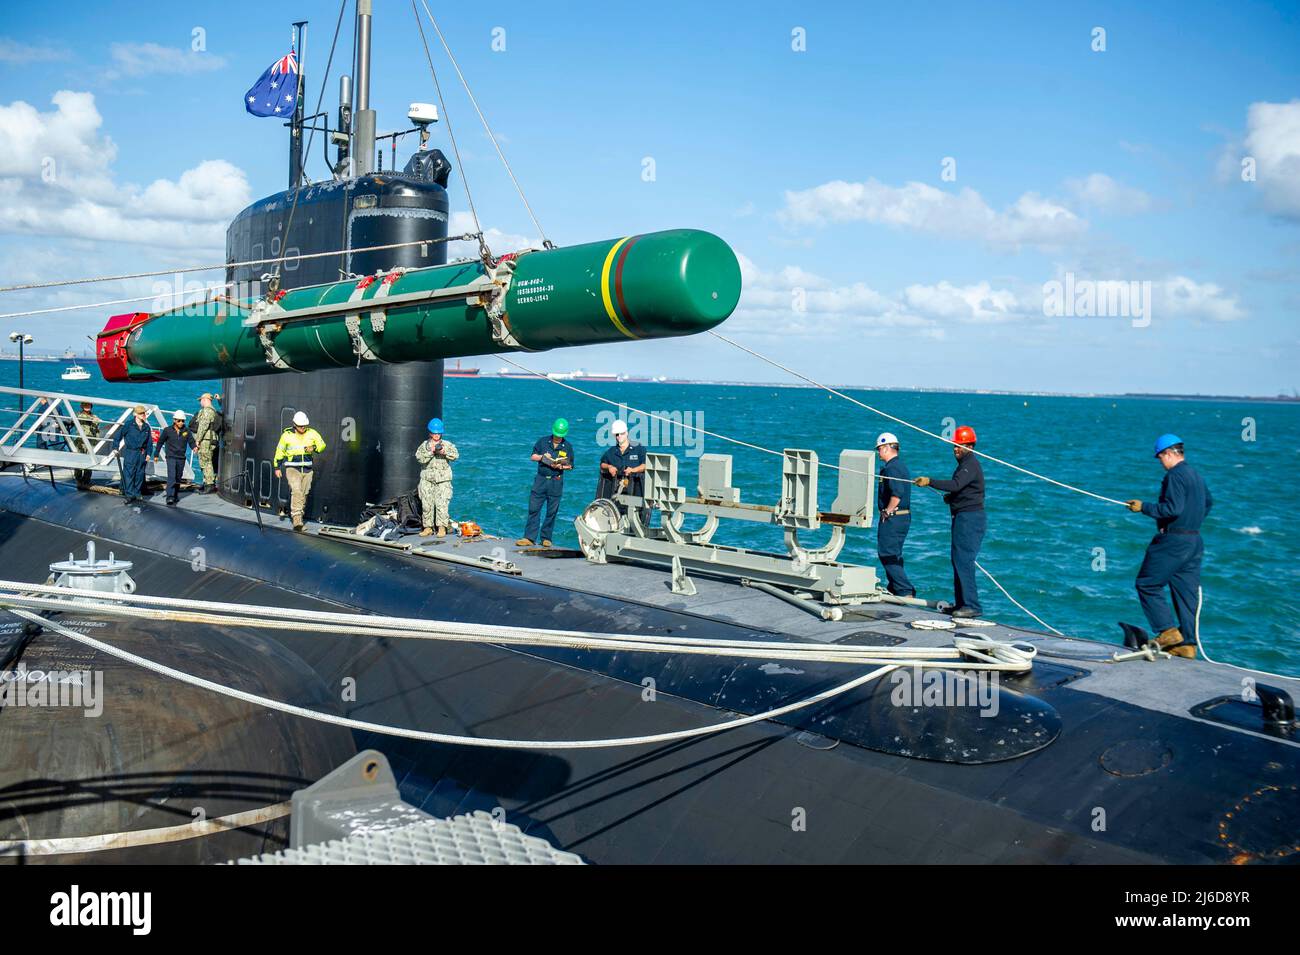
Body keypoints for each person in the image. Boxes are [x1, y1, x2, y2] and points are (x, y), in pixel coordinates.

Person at [1125, 434, 1213, 659]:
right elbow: (1208, 502)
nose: (1160, 462)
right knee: (1186, 593)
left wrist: (1143, 507)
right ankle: (1188, 644)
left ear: (1170, 453)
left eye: (1160, 457)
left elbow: (1172, 508)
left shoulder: (1175, 475)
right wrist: (1191, 520)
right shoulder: (1196, 475)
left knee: (1147, 583)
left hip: (1173, 541)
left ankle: (1167, 632)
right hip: (1194, 541)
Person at [915, 424, 985, 618]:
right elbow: (964, 490)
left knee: (964, 560)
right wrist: (953, 499)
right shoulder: (964, 465)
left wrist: (930, 481)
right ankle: (962, 604)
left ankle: (972, 605)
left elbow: (956, 485)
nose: (956, 449)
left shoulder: (970, 464)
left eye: (960, 445)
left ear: (970, 446)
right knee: (957, 559)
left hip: (970, 519)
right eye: (954, 445)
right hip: (963, 517)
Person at [517, 418, 574, 548]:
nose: (558, 438)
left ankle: (546, 538)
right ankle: (529, 537)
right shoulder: (542, 441)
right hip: (541, 479)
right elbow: (533, 456)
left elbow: (571, 465)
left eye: (561, 436)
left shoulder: (568, 447)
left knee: (551, 511)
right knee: (534, 509)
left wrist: (561, 466)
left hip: (556, 481)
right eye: (556, 435)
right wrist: (543, 458)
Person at [874, 432, 914, 598]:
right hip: (902, 517)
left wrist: (887, 511)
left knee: (886, 553)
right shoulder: (899, 466)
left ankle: (905, 591)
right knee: (894, 553)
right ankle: (894, 588)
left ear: (886, 447)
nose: (878, 452)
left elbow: (896, 494)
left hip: (894, 517)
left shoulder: (892, 468)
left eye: (879, 449)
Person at [274, 410, 326, 531]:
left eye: (304, 426)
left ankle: (300, 516)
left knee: (304, 493)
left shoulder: (312, 433)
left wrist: (313, 448)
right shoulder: (286, 436)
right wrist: (277, 467)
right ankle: (297, 521)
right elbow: (279, 451)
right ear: (294, 425)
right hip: (292, 468)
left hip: (307, 469)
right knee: (296, 491)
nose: (303, 428)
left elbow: (322, 445)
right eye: (300, 426)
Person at [415, 417, 459, 536]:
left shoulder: (447, 445)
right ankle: (428, 527)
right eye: (434, 433)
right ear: (430, 433)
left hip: (443, 480)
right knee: (426, 504)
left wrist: (445, 452)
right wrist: (432, 452)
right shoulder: (424, 446)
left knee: (442, 505)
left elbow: (456, 455)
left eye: (439, 433)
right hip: (427, 480)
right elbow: (419, 458)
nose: (437, 435)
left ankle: (441, 528)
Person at [599, 420, 647, 502]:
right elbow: (602, 464)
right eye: (617, 434)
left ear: (627, 433)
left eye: (622, 433)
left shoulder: (638, 448)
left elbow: (645, 465)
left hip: (637, 492)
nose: (619, 436)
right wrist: (609, 467)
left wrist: (633, 470)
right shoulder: (611, 451)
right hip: (616, 494)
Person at [117, 404, 155, 504]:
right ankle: (129, 494)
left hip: (141, 453)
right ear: (135, 414)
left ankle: (137, 493)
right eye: (141, 413)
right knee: (129, 473)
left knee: (139, 474)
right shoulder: (129, 425)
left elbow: (149, 443)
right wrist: (115, 448)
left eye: (144, 413)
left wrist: (148, 454)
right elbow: (118, 436)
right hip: (131, 452)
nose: (143, 415)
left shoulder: (146, 427)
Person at [157, 410, 196, 506]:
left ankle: (175, 494)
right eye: (179, 421)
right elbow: (160, 442)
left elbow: (191, 441)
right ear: (174, 420)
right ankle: (169, 496)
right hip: (171, 457)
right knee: (172, 476)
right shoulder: (167, 430)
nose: (181, 423)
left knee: (178, 477)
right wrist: (156, 454)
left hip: (181, 457)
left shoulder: (186, 431)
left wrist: (194, 447)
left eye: (183, 421)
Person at [191, 393, 221, 493]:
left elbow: (203, 426)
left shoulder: (207, 411)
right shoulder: (213, 411)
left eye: (201, 400)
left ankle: (209, 485)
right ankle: (207, 483)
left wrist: (197, 440)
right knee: (207, 461)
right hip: (210, 440)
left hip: (206, 440)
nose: (200, 402)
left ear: (205, 399)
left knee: (205, 461)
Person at [73, 401, 101, 489]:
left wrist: (95, 421)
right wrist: (93, 419)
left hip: (91, 441)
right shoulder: (78, 415)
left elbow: (96, 428)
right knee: (79, 460)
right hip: (80, 441)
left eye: (89, 405)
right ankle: (78, 479)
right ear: (82, 406)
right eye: (85, 405)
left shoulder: (94, 416)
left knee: (90, 460)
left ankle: (86, 480)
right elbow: (81, 418)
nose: (87, 407)